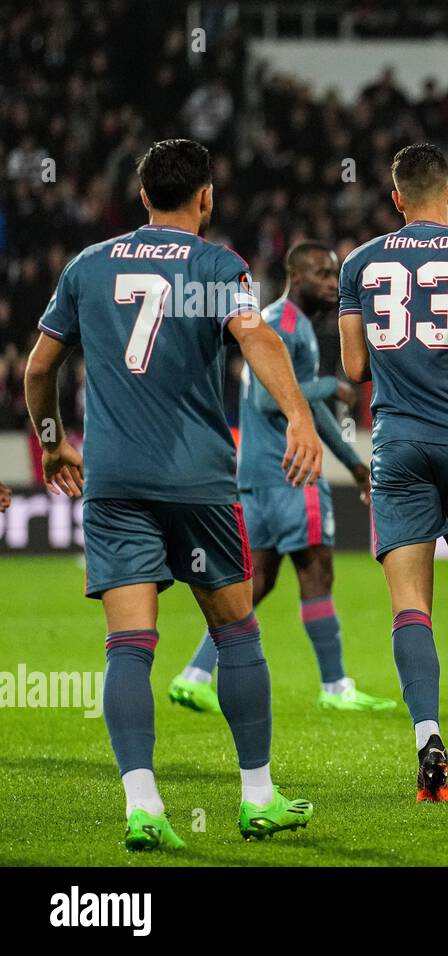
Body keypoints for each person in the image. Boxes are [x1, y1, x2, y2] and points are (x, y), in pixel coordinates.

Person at [24, 138, 321, 850]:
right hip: (199, 482)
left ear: (142, 195)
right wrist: (301, 416)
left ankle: (143, 809)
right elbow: (258, 340)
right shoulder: (218, 267)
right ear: (207, 197)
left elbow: (40, 370)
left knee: (128, 646)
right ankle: (257, 798)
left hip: (115, 479)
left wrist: (51, 440)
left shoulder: (87, 267)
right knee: (237, 632)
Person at [338, 143, 448, 802]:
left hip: (399, 444)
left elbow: (354, 367)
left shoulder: (359, 263)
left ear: (394, 199)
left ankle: (427, 739)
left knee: (410, 604)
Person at [169, 241, 395, 714]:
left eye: (335, 275)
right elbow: (271, 402)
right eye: (322, 274)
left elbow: (306, 410)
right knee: (317, 570)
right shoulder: (284, 324)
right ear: (295, 274)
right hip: (291, 474)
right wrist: (329, 385)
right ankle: (335, 686)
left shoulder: (278, 323)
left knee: (258, 581)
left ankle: (193, 674)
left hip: (257, 477)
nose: (333, 284)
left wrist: (353, 463)